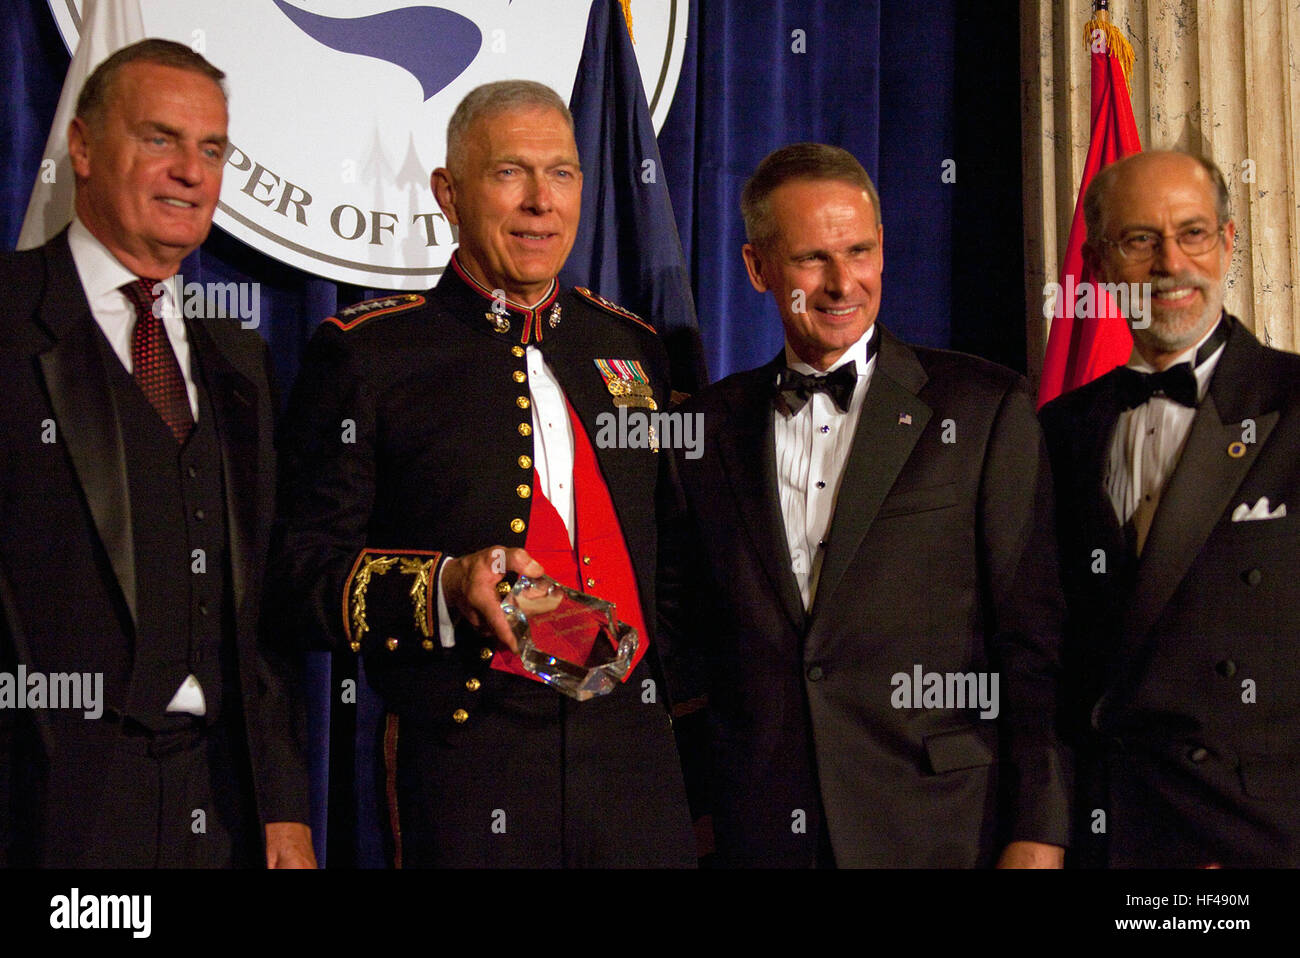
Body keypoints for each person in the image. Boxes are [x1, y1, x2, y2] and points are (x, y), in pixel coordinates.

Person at [269, 80, 695, 867]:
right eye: (510, 173)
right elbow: (300, 578)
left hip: (635, 766)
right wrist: (445, 586)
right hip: (472, 763)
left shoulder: (632, 348)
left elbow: (672, 558)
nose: (541, 201)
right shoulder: (370, 355)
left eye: (562, 174)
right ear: (448, 193)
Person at [658, 143, 1070, 868]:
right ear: (757, 268)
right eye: (812, 258)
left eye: (858, 251)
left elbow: (1035, 647)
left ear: (882, 249)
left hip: (942, 829)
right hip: (762, 834)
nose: (842, 282)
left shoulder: (983, 409)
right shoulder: (704, 431)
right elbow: (687, 643)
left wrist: (1038, 836)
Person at [0, 39, 314, 867]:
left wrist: (283, 805)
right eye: (159, 139)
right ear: (82, 148)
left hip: (219, 807)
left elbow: (263, 619)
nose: (190, 170)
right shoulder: (6, 318)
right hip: (46, 809)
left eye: (210, 149)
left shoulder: (238, 356)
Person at [1039, 149, 1300, 867]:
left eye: (1192, 234)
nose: (1170, 264)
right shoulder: (1052, 434)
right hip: (1105, 832)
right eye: (1139, 240)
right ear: (1096, 263)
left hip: (1252, 839)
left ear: (1228, 241)